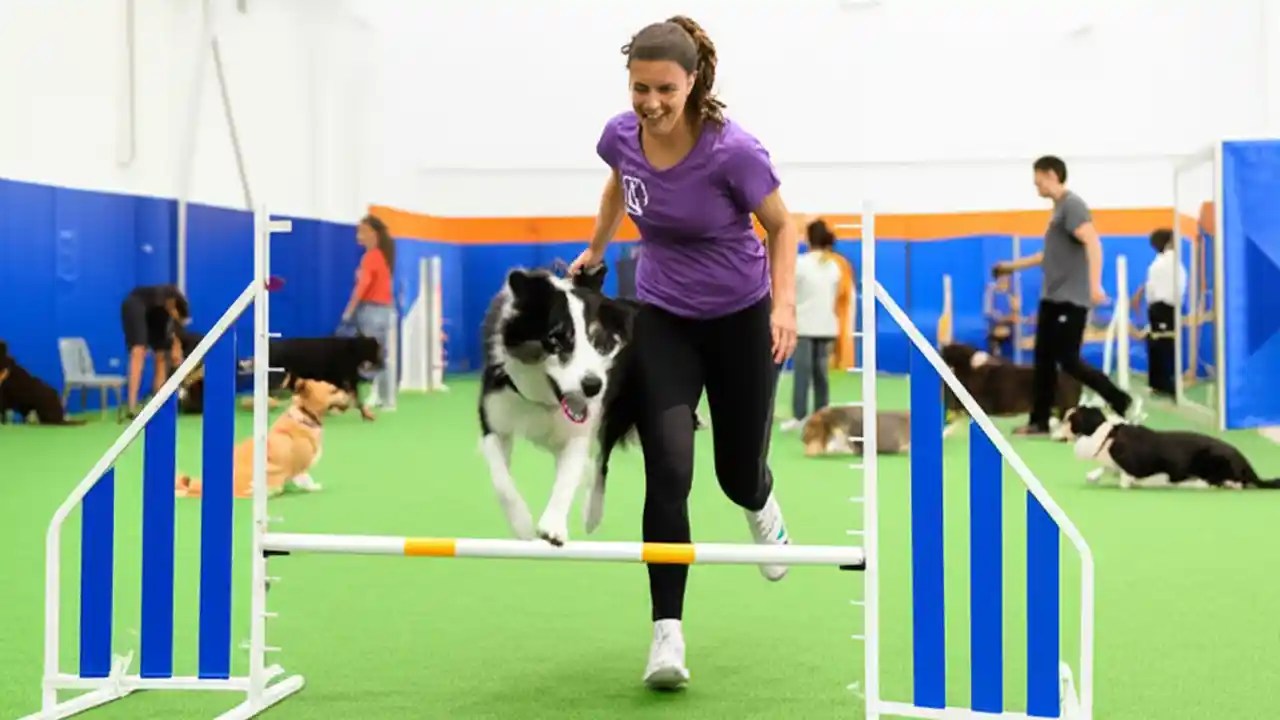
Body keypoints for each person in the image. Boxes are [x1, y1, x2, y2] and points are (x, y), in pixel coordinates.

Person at [567, 15, 799, 691]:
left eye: (665, 89)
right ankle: (666, 632)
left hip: (739, 319)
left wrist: (783, 305)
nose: (651, 103)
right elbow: (618, 184)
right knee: (668, 469)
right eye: (640, 88)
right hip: (663, 316)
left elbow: (782, 227)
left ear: (694, 82)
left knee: (734, 473)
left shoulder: (733, 152)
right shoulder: (620, 134)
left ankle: (761, 502)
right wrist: (598, 246)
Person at [994, 155, 1137, 435]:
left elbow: (1093, 243)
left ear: (1050, 174)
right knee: (1044, 361)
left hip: (1070, 300)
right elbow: (1047, 255)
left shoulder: (1072, 206)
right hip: (1053, 298)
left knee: (1068, 359)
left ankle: (1119, 399)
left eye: (1037, 179)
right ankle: (1039, 420)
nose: (1035, 186)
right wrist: (1009, 267)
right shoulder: (1058, 210)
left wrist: (1095, 286)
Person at [781, 219, 844, 431]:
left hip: (805, 326)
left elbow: (790, 291)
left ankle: (799, 417)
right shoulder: (833, 265)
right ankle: (822, 416)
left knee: (803, 374)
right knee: (821, 375)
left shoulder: (801, 263)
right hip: (826, 326)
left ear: (808, 238)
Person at [341, 214, 397, 414]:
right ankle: (387, 399)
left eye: (361, 231)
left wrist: (349, 310)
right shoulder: (382, 256)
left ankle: (376, 395)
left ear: (372, 233)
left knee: (371, 356)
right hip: (385, 310)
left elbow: (362, 287)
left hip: (372, 310)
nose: (358, 235)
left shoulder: (371, 257)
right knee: (381, 355)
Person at [1131, 228, 1186, 398]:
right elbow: (1170, 287)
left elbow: (1154, 286)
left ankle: (1159, 384)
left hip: (1159, 307)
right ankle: (1166, 384)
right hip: (1164, 307)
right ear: (1169, 242)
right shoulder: (1167, 262)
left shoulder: (1162, 262)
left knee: (1158, 344)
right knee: (1164, 344)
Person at [120, 284, 190, 417]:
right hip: (136, 305)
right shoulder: (166, 295)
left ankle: (157, 402)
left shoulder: (168, 315)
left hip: (156, 313)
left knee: (162, 355)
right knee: (139, 351)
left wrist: (176, 352)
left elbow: (175, 335)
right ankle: (132, 405)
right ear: (174, 304)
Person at [983, 271, 1018, 357]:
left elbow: (1016, 314)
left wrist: (1014, 310)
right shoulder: (991, 290)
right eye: (1002, 279)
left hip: (1009, 332)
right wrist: (1005, 318)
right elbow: (988, 312)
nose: (1005, 282)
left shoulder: (1011, 294)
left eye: (1007, 280)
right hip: (994, 330)